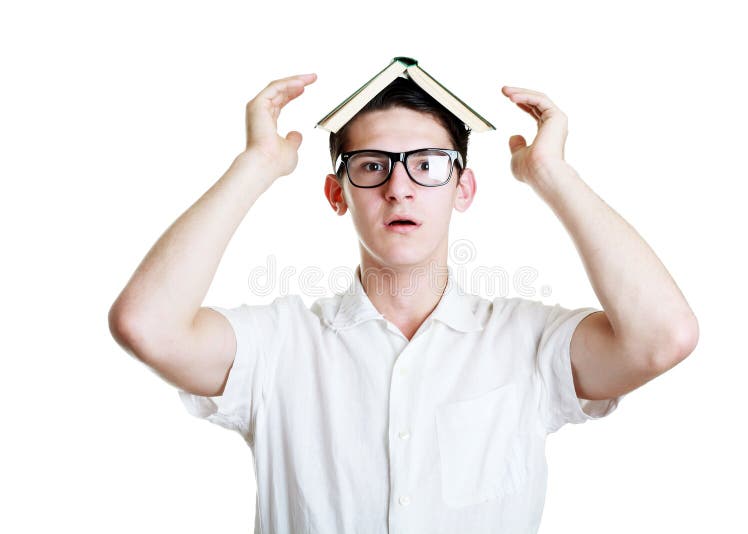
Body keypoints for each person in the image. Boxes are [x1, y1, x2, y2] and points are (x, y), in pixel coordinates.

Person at [108, 70, 699, 533]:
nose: (399, 187)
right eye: (371, 166)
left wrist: (550, 172)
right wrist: (257, 164)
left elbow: (664, 337)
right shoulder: (279, 346)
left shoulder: (526, 341)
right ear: (337, 194)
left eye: (428, 165)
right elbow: (146, 325)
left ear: (463, 188)